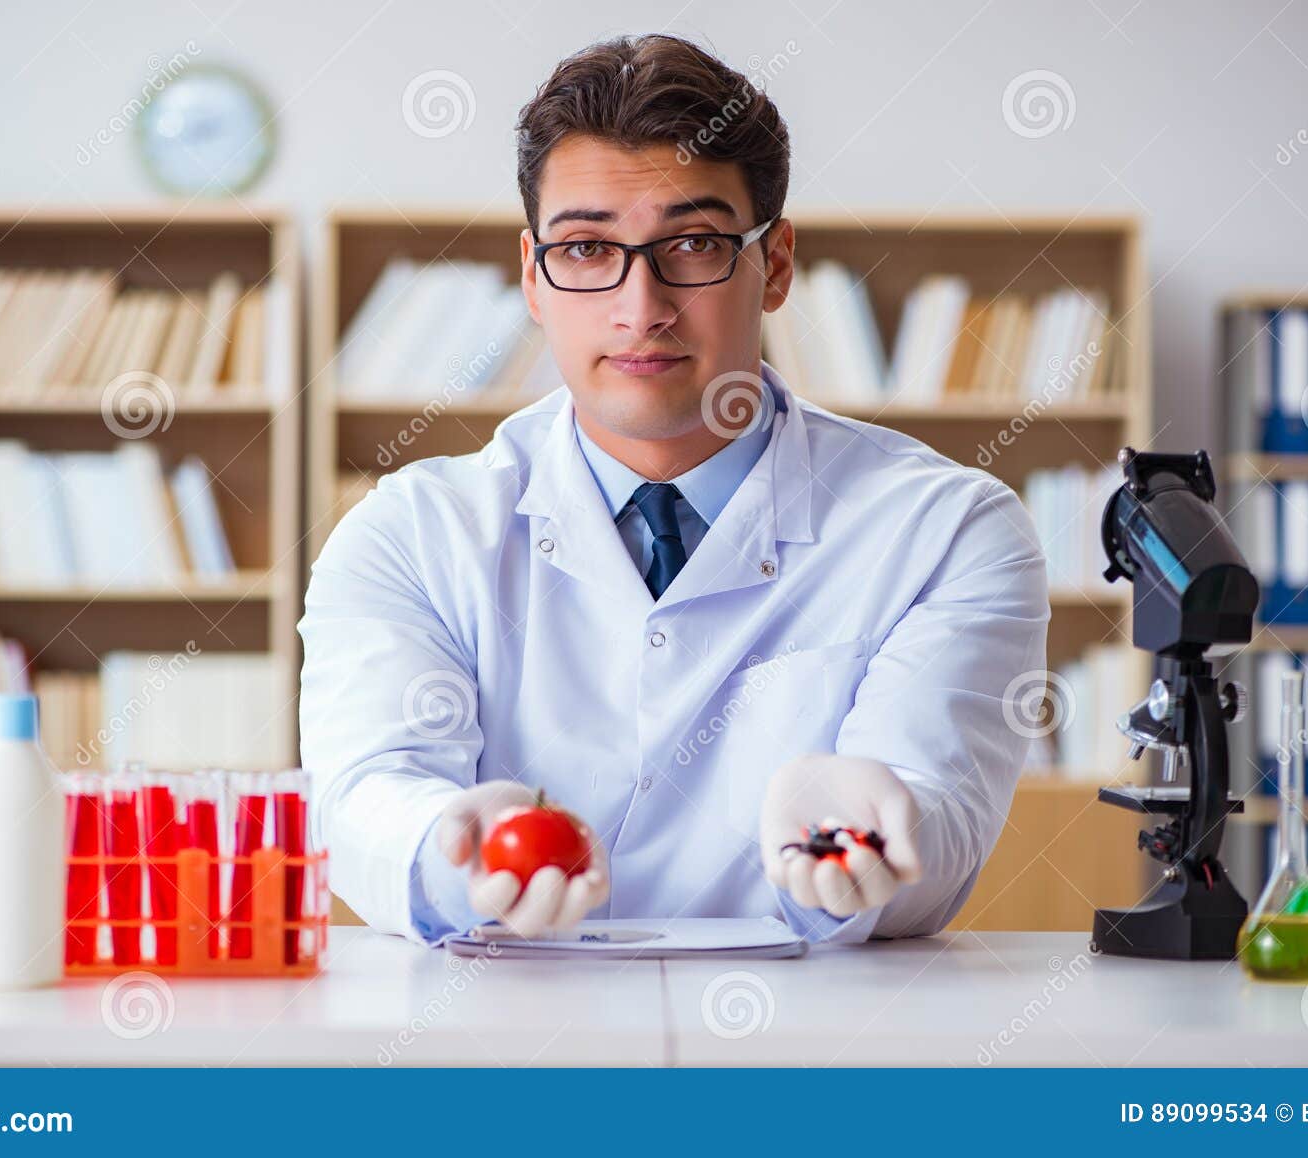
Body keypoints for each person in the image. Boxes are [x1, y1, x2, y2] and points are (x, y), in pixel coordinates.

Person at [298, 33, 1049, 946]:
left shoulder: (947, 529)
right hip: (504, 1020)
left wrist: (862, 835)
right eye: (586, 248)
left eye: (693, 244)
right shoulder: (411, 533)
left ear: (775, 265)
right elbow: (367, 795)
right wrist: (453, 848)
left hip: (816, 1024)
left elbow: (939, 826)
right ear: (533, 276)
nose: (641, 308)